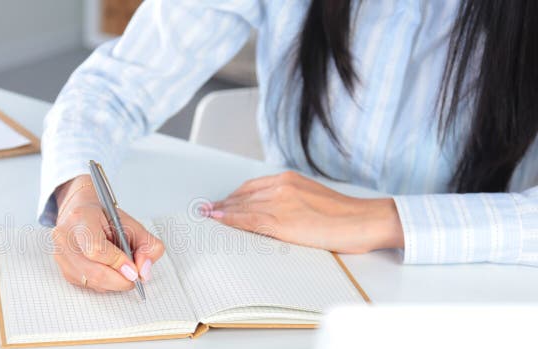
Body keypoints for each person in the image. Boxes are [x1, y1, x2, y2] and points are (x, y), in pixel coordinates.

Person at [39, 0, 538, 292]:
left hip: (482, 287)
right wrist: (78, 194)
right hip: (288, 273)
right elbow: (117, 86)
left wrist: (377, 220)